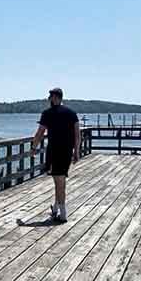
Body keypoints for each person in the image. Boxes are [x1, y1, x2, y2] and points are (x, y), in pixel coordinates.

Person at [32, 88, 80, 223]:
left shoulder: (47, 113)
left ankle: (63, 214)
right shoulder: (72, 113)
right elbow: (77, 135)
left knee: (59, 182)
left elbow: (40, 133)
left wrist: (33, 147)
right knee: (59, 180)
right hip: (67, 151)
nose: (49, 100)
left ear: (56, 97)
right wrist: (76, 151)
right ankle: (56, 209)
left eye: (50, 97)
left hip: (54, 152)